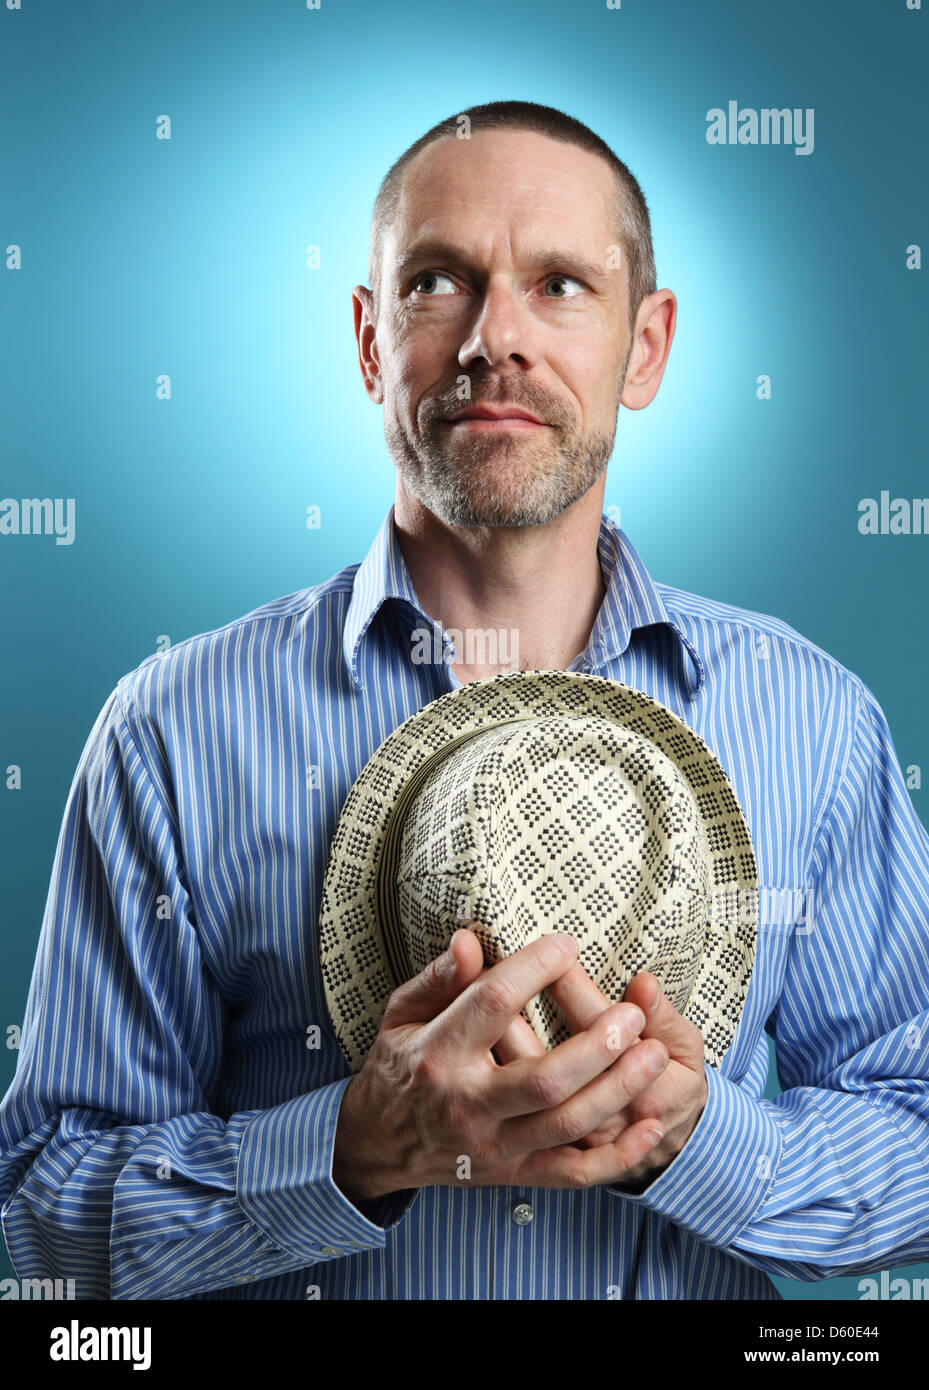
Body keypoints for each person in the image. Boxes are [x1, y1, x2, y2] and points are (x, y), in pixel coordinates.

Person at [1, 99, 928, 1301]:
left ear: (644, 347)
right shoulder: (171, 730)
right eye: (438, 282)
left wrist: (703, 1146)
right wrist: (345, 1149)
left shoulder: (813, 719)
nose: (497, 338)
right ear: (371, 341)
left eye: (559, 285)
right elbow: (38, 1211)